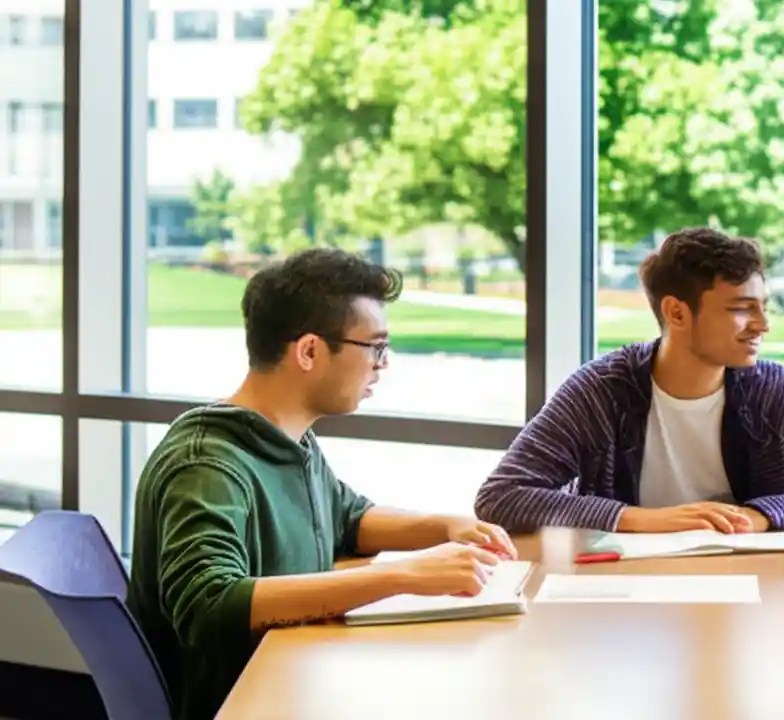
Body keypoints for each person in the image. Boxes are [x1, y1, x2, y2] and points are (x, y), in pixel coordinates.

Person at [126, 248, 517, 720]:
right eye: (374, 347)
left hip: (295, 680)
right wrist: (402, 575)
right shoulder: (208, 466)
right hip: (246, 706)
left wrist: (446, 527)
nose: (382, 364)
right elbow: (208, 606)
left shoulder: (289, 441)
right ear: (309, 351)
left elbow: (348, 518)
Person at [474, 227, 784, 534]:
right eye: (741, 309)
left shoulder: (777, 393)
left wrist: (761, 515)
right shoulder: (601, 390)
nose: (762, 325)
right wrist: (640, 519)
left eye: (763, 307)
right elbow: (501, 496)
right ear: (676, 313)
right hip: (621, 589)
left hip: (751, 585)